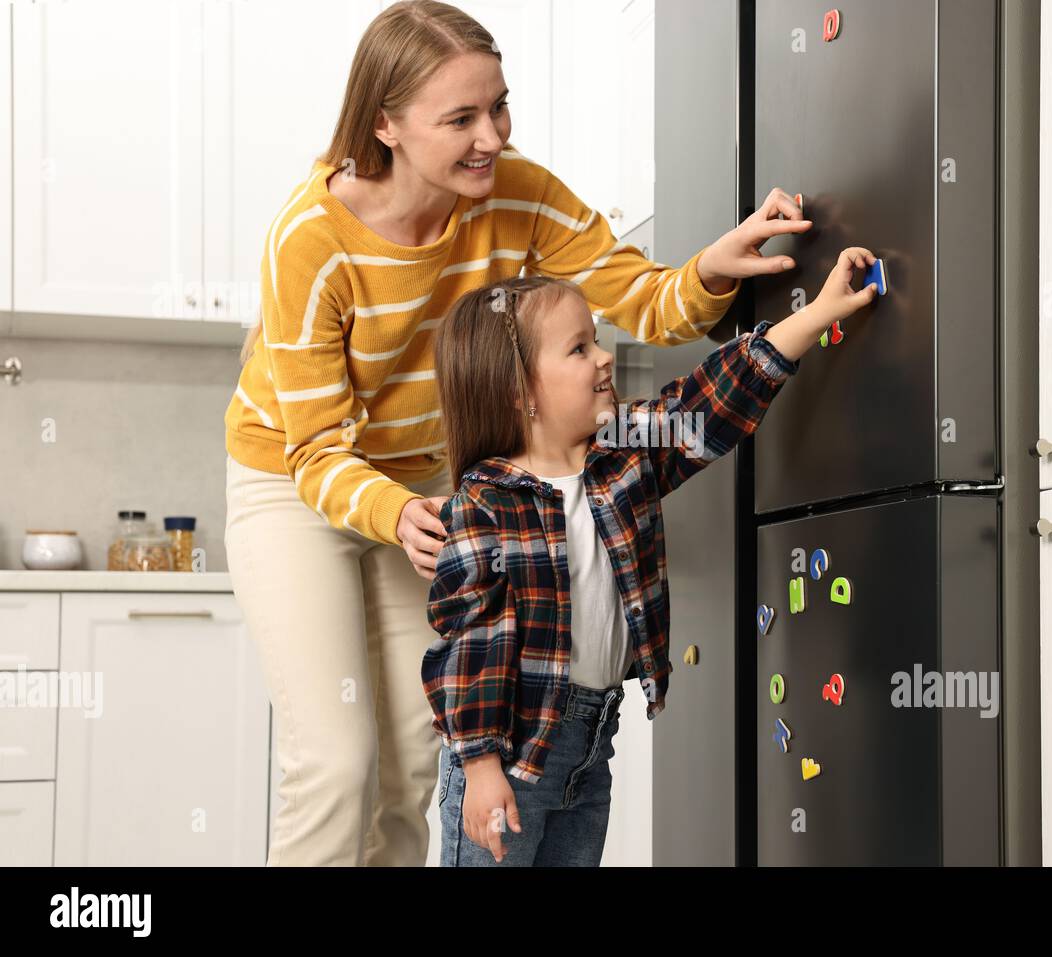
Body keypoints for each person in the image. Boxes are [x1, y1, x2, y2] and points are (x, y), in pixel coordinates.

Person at [223, 0, 810, 866]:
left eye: (498, 106)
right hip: (295, 485)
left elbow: (639, 297)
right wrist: (392, 513)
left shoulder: (516, 194)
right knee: (337, 762)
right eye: (460, 118)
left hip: (421, 489)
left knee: (416, 763)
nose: (491, 136)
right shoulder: (310, 241)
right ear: (384, 124)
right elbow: (314, 449)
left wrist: (710, 269)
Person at [425, 248, 880, 866]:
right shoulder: (484, 503)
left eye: (597, 341)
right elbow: (470, 644)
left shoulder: (623, 452)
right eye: (579, 349)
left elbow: (705, 405)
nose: (604, 357)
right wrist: (480, 769)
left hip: (591, 744)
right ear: (517, 390)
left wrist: (818, 314)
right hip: (508, 758)